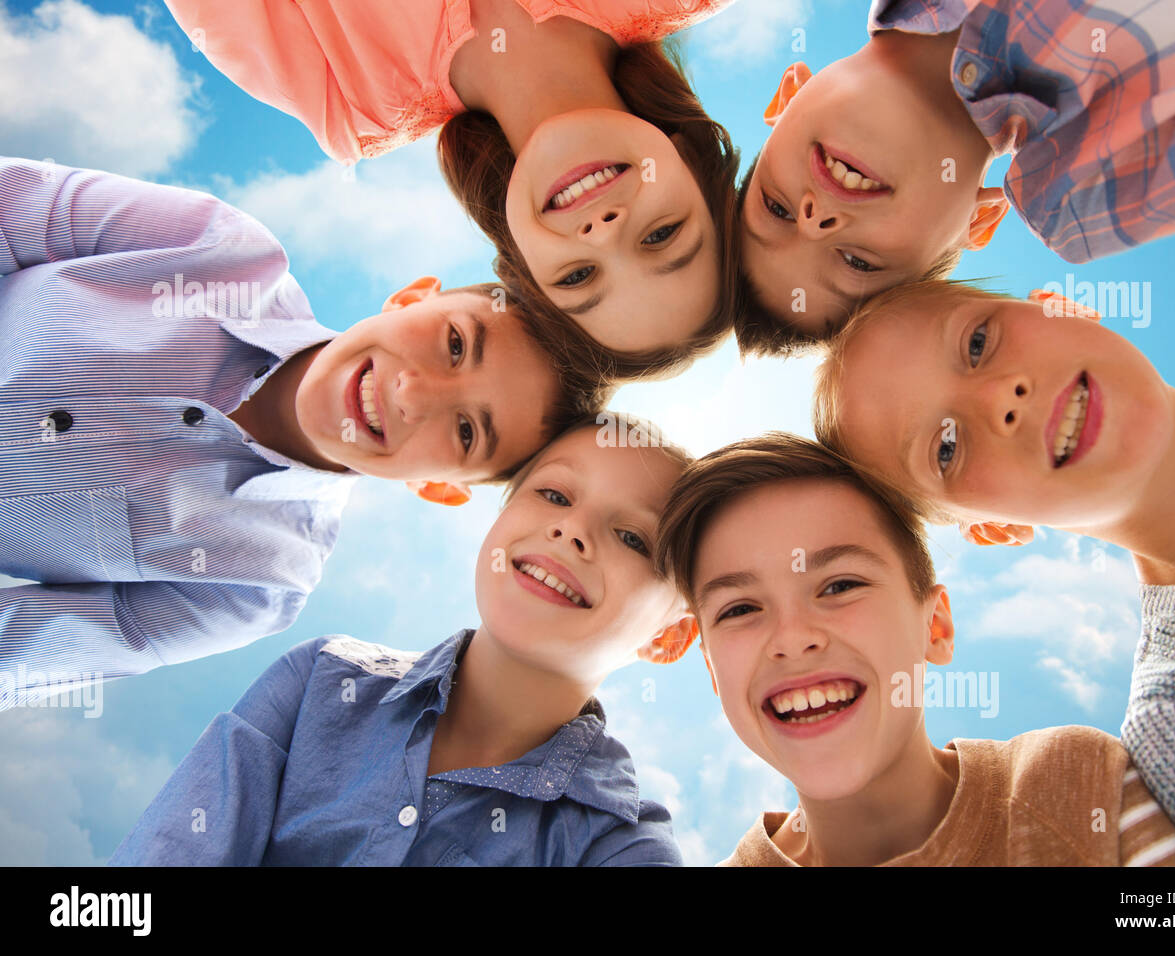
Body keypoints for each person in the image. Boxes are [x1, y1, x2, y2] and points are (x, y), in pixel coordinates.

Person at [0, 158, 606, 709]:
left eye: (468, 432)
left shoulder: (252, 587)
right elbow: (17, 206)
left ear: (437, 488)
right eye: (454, 344)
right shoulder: (219, 249)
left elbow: (29, 650)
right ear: (410, 298)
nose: (413, 393)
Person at [812, 279, 1175, 864]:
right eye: (946, 448)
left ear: (1062, 305)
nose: (1000, 398)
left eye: (978, 343)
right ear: (993, 528)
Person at [110, 413, 698, 865]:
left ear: (670, 636)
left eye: (631, 538)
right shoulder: (321, 677)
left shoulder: (619, 842)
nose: (572, 529)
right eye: (554, 495)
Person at [655, 433, 1175, 866]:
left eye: (840, 585)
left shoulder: (1071, 786)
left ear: (935, 626)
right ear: (711, 669)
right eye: (740, 610)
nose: (793, 637)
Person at [164, 0, 741, 373]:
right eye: (663, 235)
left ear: (522, 262)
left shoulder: (345, 98)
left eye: (579, 275)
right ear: (695, 162)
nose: (604, 232)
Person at [735, 0, 1175, 355]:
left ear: (786, 98)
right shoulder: (1091, 192)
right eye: (857, 263)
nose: (815, 222)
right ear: (978, 223)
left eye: (776, 210)